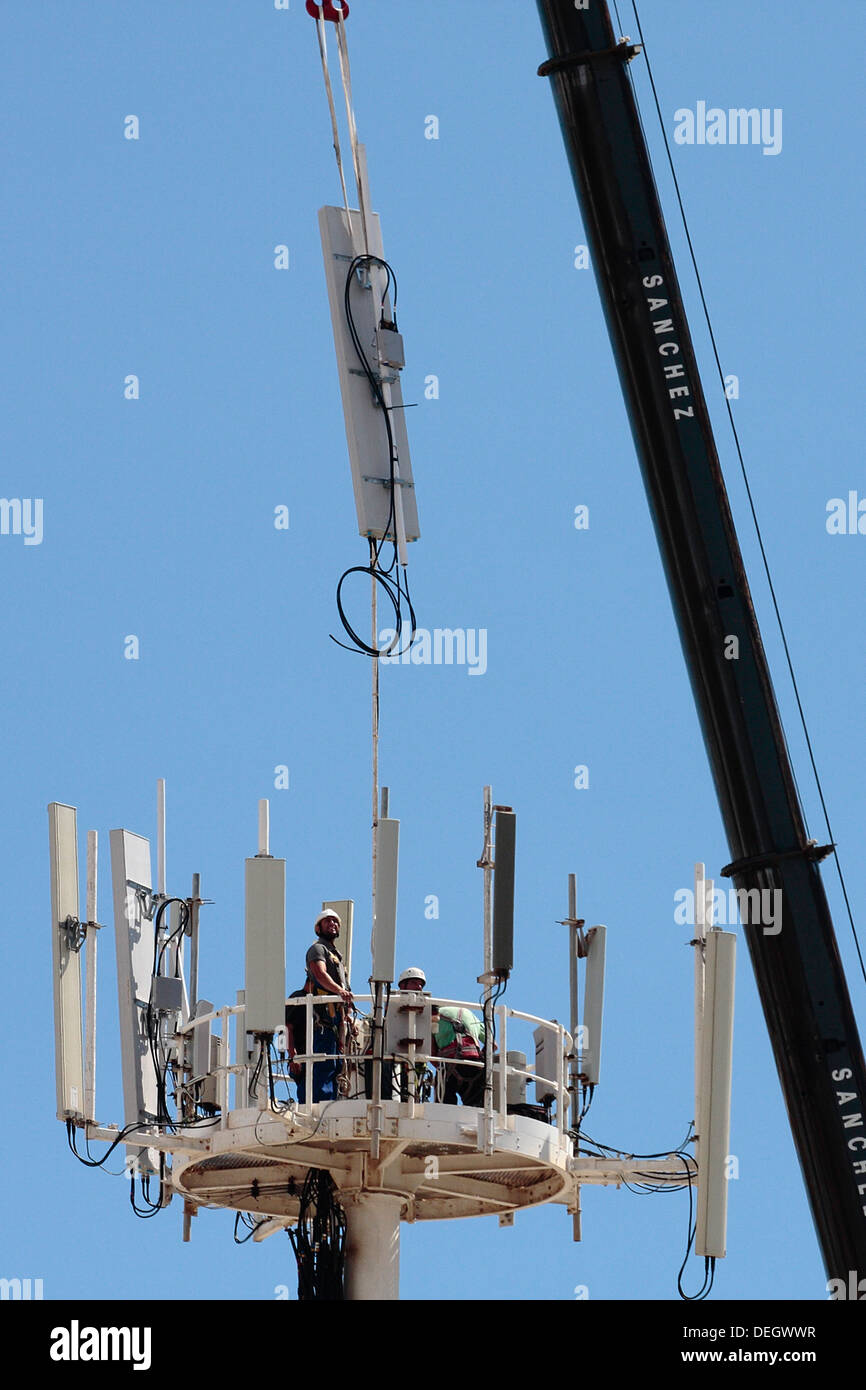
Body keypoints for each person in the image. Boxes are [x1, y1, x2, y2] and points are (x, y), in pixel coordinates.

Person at [293, 910, 353, 1103]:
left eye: (336, 921)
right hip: (323, 1020)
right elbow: (320, 974)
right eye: (328, 921)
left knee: (334, 1065)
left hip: (335, 1021)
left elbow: (345, 988)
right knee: (322, 1063)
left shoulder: (337, 957)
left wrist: (347, 1013)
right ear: (318, 928)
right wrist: (339, 991)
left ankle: (328, 1102)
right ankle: (318, 1105)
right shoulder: (318, 949)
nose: (333, 924)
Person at [431, 1001, 486, 1107]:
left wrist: (440, 1070)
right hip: (475, 1066)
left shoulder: (433, 1016)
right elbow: (493, 1045)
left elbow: (431, 1053)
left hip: (449, 1065)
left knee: (444, 1110)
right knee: (475, 1110)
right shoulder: (470, 1014)